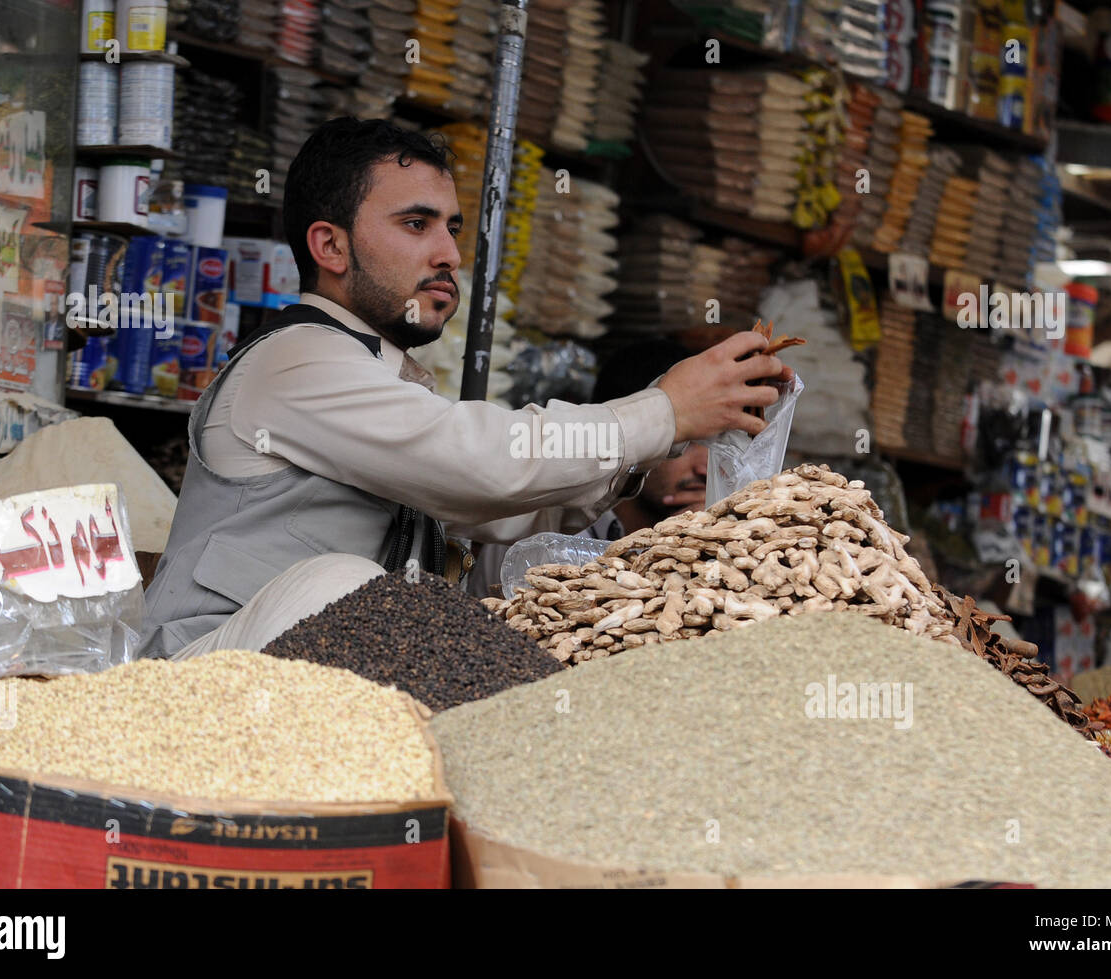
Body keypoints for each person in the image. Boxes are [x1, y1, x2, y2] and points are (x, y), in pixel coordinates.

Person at [138, 117, 792, 659]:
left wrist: (663, 438)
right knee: (346, 586)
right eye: (416, 224)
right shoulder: (295, 362)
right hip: (196, 695)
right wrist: (665, 408)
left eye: (452, 227)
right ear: (330, 247)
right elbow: (485, 462)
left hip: (315, 712)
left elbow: (512, 506)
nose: (450, 253)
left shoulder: (383, 375)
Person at [468, 340, 710, 598]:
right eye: (686, 444)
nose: (704, 467)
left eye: (714, 445)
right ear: (642, 432)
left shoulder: (701, 532)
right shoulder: (544, 537)